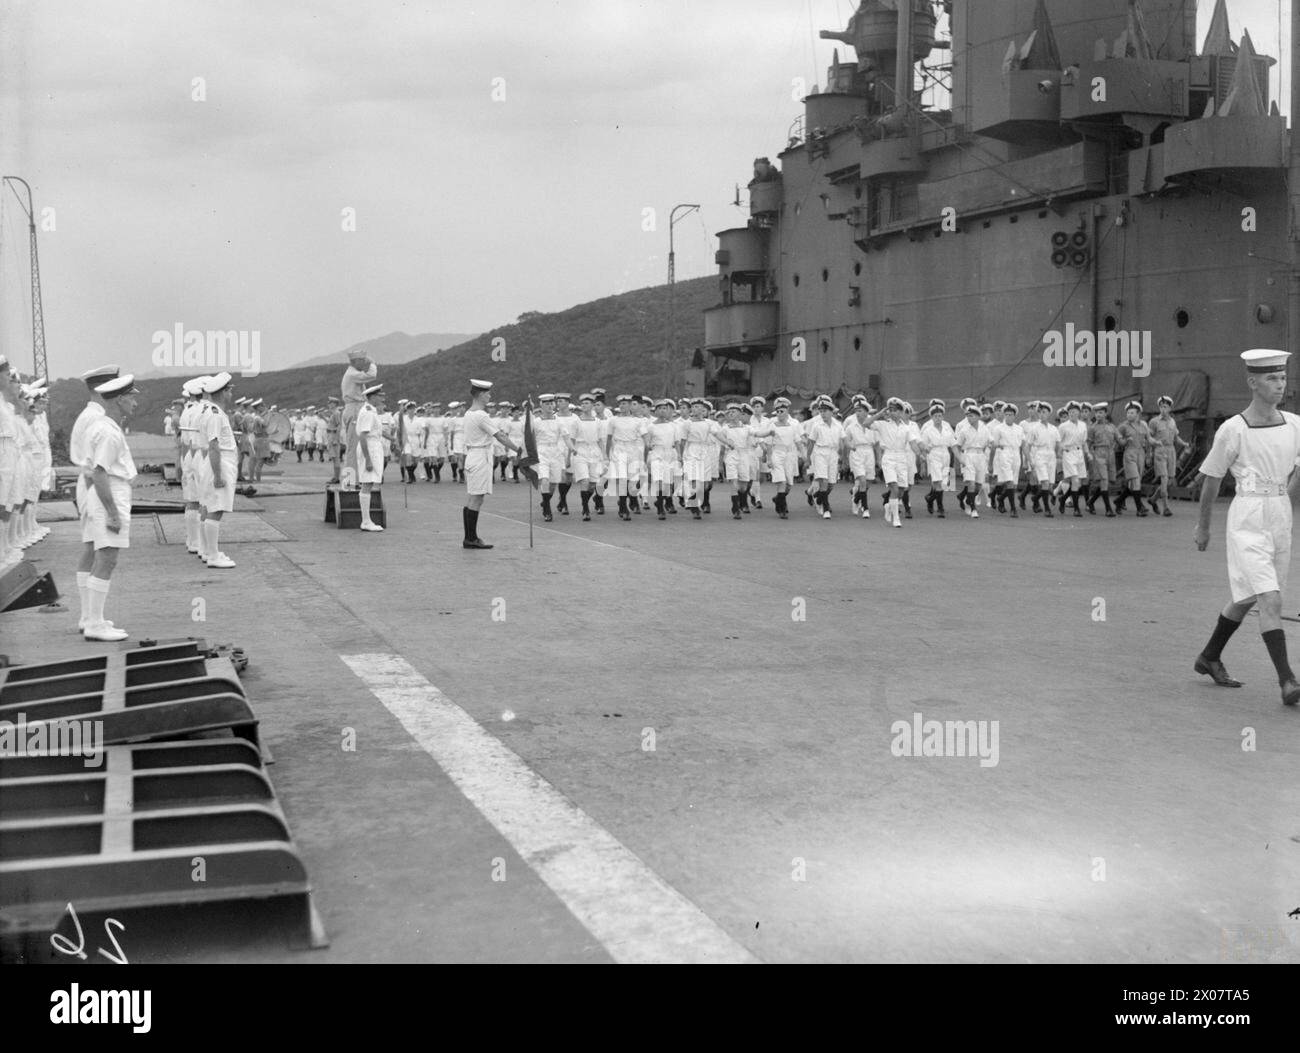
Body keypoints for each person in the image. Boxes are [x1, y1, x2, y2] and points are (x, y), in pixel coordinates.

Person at [1193, 349, 1300, 707]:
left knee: (1247, 596)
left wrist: (1287, 505)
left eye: (1282, 377)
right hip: (1248, 518)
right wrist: (1203, 527)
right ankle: (1287, 681)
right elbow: (1210, 479)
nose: (1280, 385)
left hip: (1279, 513)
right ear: (1252, 382)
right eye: (1272, 378)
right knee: (1270, 598)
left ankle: (1209, 656)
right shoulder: (1233, 429)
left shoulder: (1295, 424)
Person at [78, 374, 141, 641]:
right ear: (119, 400)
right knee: (107, 558)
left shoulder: (102, 426)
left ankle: (94, 619)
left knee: (102, 557)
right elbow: (100, 473)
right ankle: (94, 624)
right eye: (131, 397)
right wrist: (113, 512)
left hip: (103, 494)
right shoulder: (107, 431)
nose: (135, 403)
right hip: (109, 494)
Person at [462, 379, 523, 549]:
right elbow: (500, 436)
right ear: (480, 395)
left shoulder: (469, 413)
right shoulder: (481, 415)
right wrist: (518, 450)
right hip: (480, 456)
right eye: (487, 393)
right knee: (476, 498)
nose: (489, 396)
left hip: (474, 454)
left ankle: (470, 537)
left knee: (472, 498)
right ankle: (470, 538)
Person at [196, 372, 240, 568]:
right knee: (216, 509)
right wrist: (218, 476)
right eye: (229, 391)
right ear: (223, 392)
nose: (231, 395)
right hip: (219, 463)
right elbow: (214, 446)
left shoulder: (209, 410)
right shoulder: (215, 414)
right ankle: (213, 556)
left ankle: (208, 551)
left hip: (214, 463)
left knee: (209, 507)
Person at [341, 348, 377, 486]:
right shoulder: (352, 374)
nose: (364, 363)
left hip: (356, 408)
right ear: (355, 361)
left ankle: (354, 479)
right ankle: (349, 480)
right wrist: (373, 363)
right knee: (353, 446)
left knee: (356, 447)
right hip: (354, 408)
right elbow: (371, 375)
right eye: (362, 360)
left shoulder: (353, 373)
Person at [1149, 396, 1191, 516]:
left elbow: (1176, 437)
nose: (1163, 409)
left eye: (1166, 407)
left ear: (1170, 408)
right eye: (1161, 407)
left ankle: (1153, 499)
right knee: (1164, 478)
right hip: (1160, 450)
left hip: (1171, 451)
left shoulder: (1172, 421)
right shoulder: (1154, 422)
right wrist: (1152, 449)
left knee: (1169, 479)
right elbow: (1149, 437)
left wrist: (1184, 443)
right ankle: (1166, 507)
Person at [920, 400, 957, 519]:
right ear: (931, 416)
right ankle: (940, 508)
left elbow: (953, 442)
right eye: (935, 416)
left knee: (943, 483)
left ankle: (930, 498)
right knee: (937, 482)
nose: (938, 418)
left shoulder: (947, 427)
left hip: (945, 454)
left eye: (940, 415)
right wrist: (923, 463)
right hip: (933, 454)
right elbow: (923, 445)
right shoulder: (927, 427)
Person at [1115, 401, 1152, 516]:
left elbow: (1148, 440)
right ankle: (1139, 508)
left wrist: (1148, 455)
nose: (1129, 415)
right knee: (1135, 480)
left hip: (1140, 454)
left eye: (1132, 413)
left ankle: (1119, 501)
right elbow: (1118, 440)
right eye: (1128, 413)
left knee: (1134, 483)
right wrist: (1125, 441)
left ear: (1138, 414)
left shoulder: (1144, 425)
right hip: (1129, 454)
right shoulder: (1123, 426)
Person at [1086, 403, 1118, 517]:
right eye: (1096, 413)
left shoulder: (1112, 427)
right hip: (1098, 454)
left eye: (1100, 412)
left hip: (1110, 454)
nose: (1098, 415)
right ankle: (1108, 509)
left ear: (1105, 413)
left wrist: (1129, 440)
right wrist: (1089, 454)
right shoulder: (1092, 428)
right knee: (1104, 480)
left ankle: (1091, 502)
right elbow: (1088, 443)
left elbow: (1119, 439)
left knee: (1107, 481)